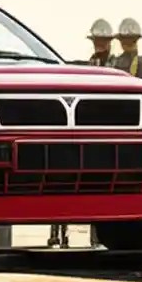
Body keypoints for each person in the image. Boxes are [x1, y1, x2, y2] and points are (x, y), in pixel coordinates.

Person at [47, 18, 117, 248]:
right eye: (97, 41)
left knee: (103, 184)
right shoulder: (90, 63)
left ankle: (98, 236)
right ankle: (61, 232)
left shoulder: (119, 65)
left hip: (109, 130)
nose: (100, 44)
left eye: (103, 41)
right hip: (88, 128)